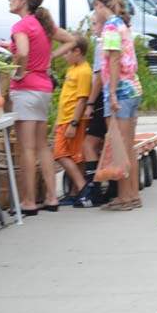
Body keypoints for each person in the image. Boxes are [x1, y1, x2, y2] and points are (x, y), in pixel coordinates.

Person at [8, 0, 77, 216]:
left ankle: (28, 201)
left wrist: (18, 72)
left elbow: (23, 52)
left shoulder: (21, 26)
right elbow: (71, 40)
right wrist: (50, 57)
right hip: (44, 88)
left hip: (26, 89)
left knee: (26, 148)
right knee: (42, 146)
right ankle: (51, 197)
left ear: (23, 0)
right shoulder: (42, 24)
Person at [92, 0, 143, 212]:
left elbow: (113, 60)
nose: (94, 12)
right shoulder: (123, 24)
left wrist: (111, 93)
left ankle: (124, 197)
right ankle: (132, 194)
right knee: (129, 145)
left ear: (101, 6)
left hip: (120, 91)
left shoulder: (111, 26)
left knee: (119, 145)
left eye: (95, 7)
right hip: (132, 88)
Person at [53, 34, 91, 206]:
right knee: (74, 156)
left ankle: (82, 187)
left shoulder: (84, 71)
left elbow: (82, 99)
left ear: (77, 51)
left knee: (60, 154)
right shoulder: (72, 69)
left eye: (67, 51)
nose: (64, 55)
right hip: (64, 119)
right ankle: (76, 190)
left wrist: (74, 123)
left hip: (72, 120)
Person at [78, 13, 109, 208]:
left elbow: (98, 76)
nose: (92, 27)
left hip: (100, 98)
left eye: (95, 23)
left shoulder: (101, 43)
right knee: (105, 143)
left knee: (89, 144)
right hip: (110, 95)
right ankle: (109, 186)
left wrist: (90, 103)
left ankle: (94, 188)